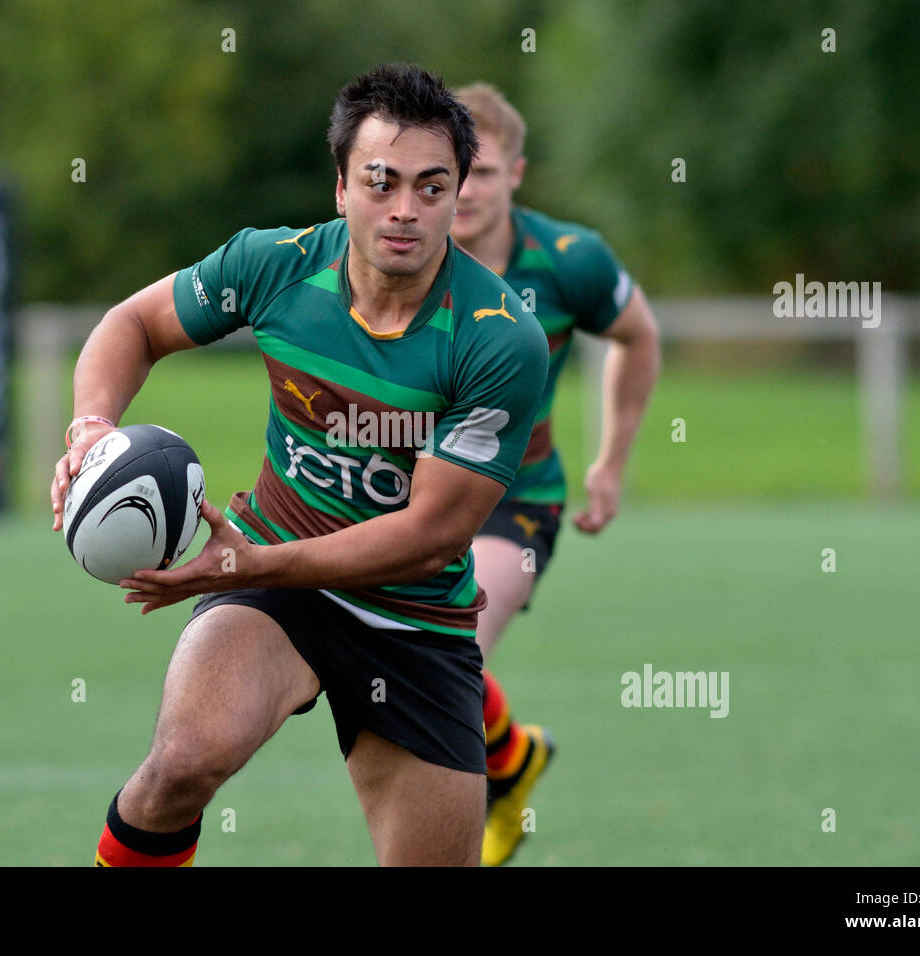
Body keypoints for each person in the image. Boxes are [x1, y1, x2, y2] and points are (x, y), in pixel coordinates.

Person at [50, 64, 548, 867]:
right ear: (341, 187)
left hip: (413, 618)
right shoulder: (275, 265)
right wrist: (90, 427)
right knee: (180, 766)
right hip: (275, 586)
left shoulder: (499, 340)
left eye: (432, 187)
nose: (404, 210)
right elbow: (132, 324)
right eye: (381, 182)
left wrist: (246, 561)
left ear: (459, 195)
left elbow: (427, 535)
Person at [449, 83, 661, 866]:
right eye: (454, 170)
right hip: (402, 504)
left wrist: (612, 459)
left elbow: (638, 336)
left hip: (516, 506)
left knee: (443, 652)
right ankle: (511, 759)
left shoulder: (569, 261)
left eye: (488, 173)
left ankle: (468, 809)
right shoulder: (393, 255)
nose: (467, 191)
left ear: (519, 174)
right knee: (382, 661)